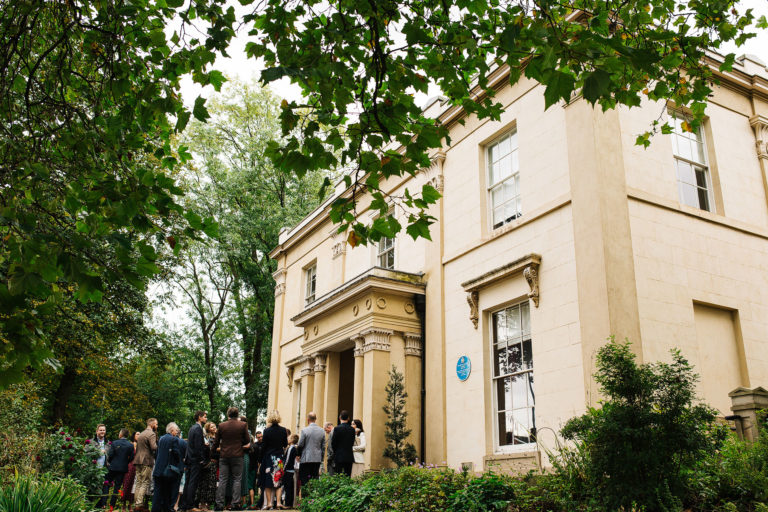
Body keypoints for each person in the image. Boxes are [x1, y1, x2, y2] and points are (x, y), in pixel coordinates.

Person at [214, 407, 251, 511]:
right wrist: (238, 444)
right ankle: (235, 504)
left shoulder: (221, 425)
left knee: (222, 479)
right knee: (237, 479)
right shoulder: (243, 425)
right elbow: (247, 440)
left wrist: (212, 454)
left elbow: (216, 442)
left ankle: (219, 504)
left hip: (224, 455)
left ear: (228, 414)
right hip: (237, 455)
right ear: (237, 414)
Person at [257, 410, 287, 511]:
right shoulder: (283, 430)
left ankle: (269, 503)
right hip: (279, 459)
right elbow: (285, 444)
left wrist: (260, 460)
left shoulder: (267, 431)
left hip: (269, 458)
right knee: (278, 481)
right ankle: (278, 503)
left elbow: (264, 446)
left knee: (268, 481)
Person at [100, 428, 135, 509]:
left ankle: (104, 503)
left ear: (121, 434)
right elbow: (132, 457)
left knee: (107, 484)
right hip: (122, 468)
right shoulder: (130, 445)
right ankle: (112, 506)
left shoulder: (115, 443)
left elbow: (110, 455)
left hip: (113, 467)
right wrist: (125, 462)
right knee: (117, 487)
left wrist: (111, 462)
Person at [152, 423, 183, 512]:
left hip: (158, 469)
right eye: (176, 430)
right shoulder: (174, 439)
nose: (177, 432)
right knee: (168, 491)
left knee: (157, 492)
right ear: (172, 430)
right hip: (167, 470)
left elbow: (157, 453)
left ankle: (155, 509)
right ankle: (167, 509)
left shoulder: (161, 438)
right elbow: (176, 454)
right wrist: (178, 461)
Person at [180, 410, 207, 512]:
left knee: (188, 482)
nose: (206, 418)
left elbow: (189, 446)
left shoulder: (192, 428)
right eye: (204, 417)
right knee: (192, 482)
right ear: (199, 417)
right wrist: (201, 459)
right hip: (195, 460)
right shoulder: (198, 429)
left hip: (189, 459)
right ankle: (190, 506)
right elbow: (198, 446)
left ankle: (184, 506)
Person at [134, 419, 159, 512]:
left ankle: (136, 503)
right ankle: (139, 504)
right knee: (145, 482)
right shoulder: (151, 434)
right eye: (156, 424)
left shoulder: (141, 434)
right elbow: (154, 447)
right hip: (146, 461)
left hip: (137, 460)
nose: (157, 426)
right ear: (152, 424)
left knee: (139, 483)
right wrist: (159, 445)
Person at [296, 412, 325, 488]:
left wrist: (298, 455)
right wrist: (321, 458)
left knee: (304, 480)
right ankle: (313, 497)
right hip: (317, 459)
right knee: (315, 478)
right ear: (315, 419)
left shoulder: (305, 430)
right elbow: (323, 446)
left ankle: (306, 497)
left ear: (308, 419)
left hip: (306, 459)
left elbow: (300, 444)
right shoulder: (322, 431)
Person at [195, 422, 218, 511]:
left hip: (215, 464)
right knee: (204, 483)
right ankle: (203, 504)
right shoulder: (206, 438)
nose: (214, 428)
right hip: (208, 463)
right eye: (212, 427)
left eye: (214, 426)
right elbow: (209, 449)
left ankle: (209, 504)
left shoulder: (217, 437)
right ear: (208, 428)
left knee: (212, 484)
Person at [331, 411, 356, 477]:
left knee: (338, 476)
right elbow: (352, 442)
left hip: (339, 455)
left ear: (340, 418)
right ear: (348, 418)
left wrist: (336, 452)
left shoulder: (337, 429)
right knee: (348, 476)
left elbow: (333, 443)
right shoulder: (352, 430)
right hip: (349, 456)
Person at [121, 431, 140, 512]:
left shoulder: (142, 445)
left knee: (134, 486)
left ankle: (130, 504)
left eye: (140, 434)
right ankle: (123, 504)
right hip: (130, 466)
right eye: (137, 434)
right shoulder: (130, 444)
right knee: (126, 484)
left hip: (138, 467)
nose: (139, 435)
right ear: (134, 436)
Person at [282, 435, 298, 509]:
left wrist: (283, 469)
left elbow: (287, 460)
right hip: (291, 470)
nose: (287, 439)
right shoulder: (294, 448)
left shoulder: (291, 448)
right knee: (290, 487)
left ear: (292, 440)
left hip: (288, 470)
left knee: (287, 488)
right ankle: (290, 503)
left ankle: (288, 503)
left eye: (288, 438)